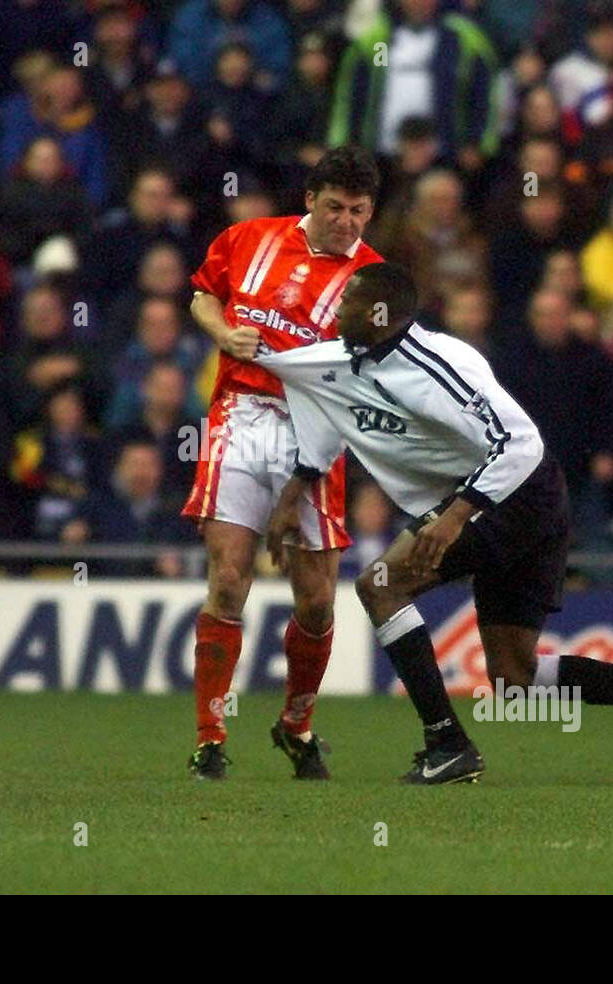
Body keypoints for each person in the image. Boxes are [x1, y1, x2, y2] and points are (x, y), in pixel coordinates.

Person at [261, 263, 613, 784]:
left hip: (515, 494)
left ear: (378, 313)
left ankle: (446, 741)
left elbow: (521, 441)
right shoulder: (355, 361)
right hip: (517, 496)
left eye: (347, 298)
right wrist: (294, 490)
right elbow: (330, 415)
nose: (336, 308)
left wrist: (454, 515)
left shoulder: (437, 366)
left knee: (382, 586)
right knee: (515, 678)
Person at [182, 145, 383, 780]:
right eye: (334, 208)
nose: (346, 222)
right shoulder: (248, 239)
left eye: (357, 211)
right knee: (229, 579)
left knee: (318, 600)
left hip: (316, 432)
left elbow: (369, 377)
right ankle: (210, 737)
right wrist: (221, 334)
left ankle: (296, 724)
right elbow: (199, 297)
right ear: (309, 201)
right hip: (240, 416)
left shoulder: (375, 281)